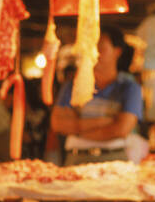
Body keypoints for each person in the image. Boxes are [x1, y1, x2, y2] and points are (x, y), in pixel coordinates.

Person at [49, 25, 146, 164]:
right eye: (90, 49)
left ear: (117, 52)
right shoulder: (71, 86)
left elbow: (121, 129)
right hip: (76, 159)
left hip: (114, 160)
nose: (94, 54)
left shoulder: (130, 88)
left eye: (100, 49)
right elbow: (58, 124)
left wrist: (77, 129)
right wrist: (103, 122)